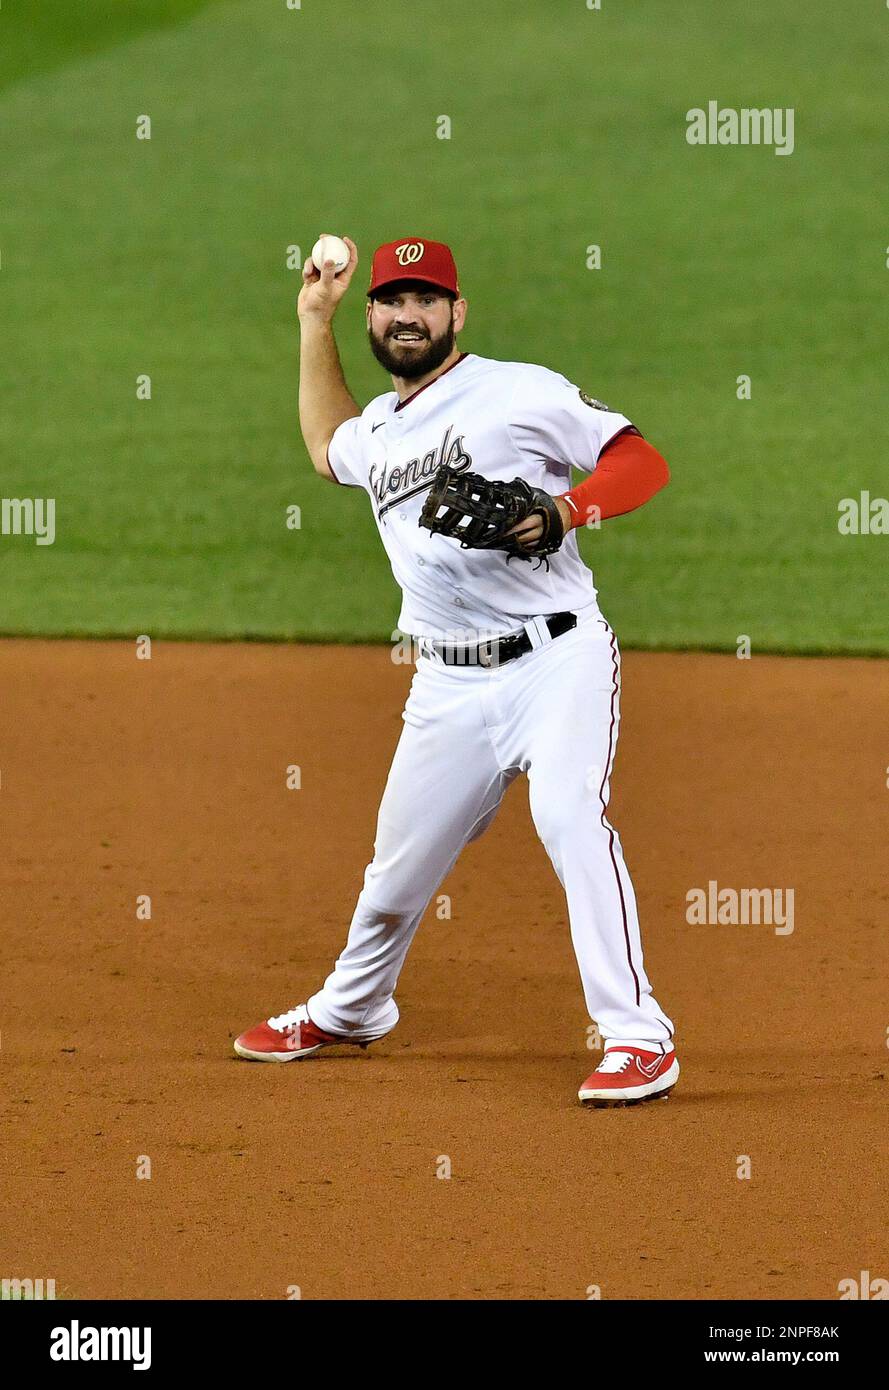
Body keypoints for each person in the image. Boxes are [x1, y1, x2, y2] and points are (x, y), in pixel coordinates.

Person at [234, 235, 679, 1106]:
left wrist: (564, 507)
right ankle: (353, 1009)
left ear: (455, 313)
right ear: (374, 316)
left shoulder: (518, 389)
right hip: (444, 685)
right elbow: (328, 447)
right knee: (396, 874)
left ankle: (639, 1038)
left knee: (565, 814)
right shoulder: (382, 434)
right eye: (392, 301)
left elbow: (640, 458)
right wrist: (312, 319)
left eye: (426, 300)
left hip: (556, 659)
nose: (408, 316)